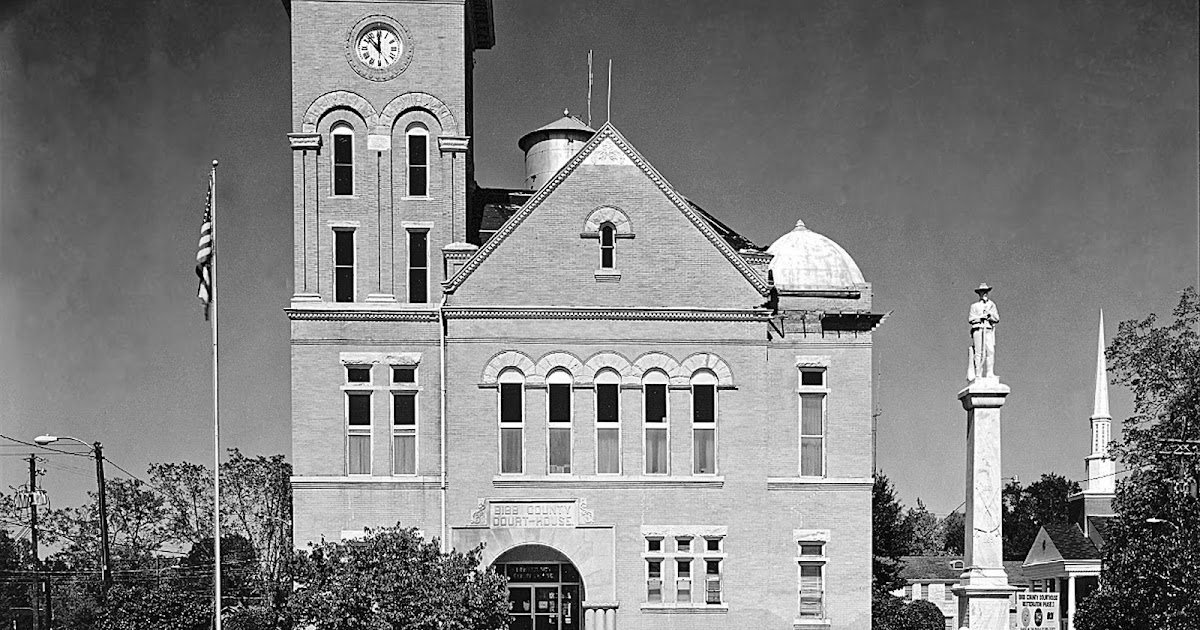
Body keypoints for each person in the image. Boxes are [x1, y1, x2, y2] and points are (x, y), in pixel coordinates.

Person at [969, 283, 999, 380]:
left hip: (988, 329)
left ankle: (990, 373)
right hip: (978, 329)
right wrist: (980, 317)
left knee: (990, 351)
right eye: (983, 291)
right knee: (979, 352)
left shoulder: (991, 305)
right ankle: (978, 373)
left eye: (986, 291)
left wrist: (989, 315)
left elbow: (997, 318)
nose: (984, 293)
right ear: (979, 293)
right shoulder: (974, 306)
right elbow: (971, 319)